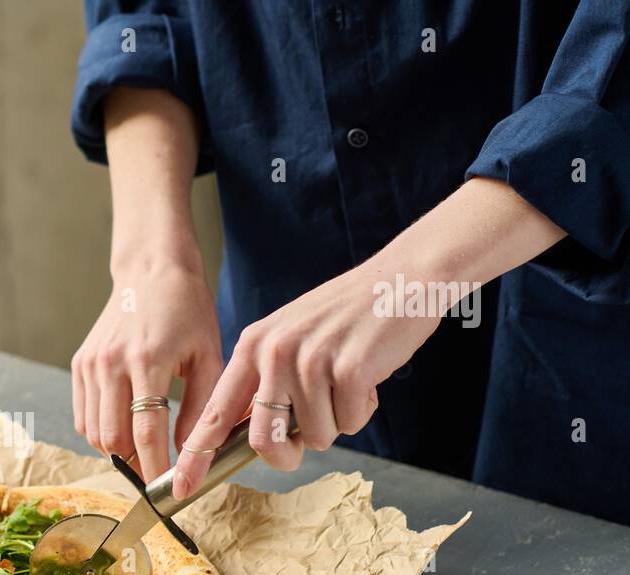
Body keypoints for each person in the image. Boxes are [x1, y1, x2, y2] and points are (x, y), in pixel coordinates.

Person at [70, 0, 629, 524]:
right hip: (285, 323)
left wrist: (412, 279)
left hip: (558, 316)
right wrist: (152, 262)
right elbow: (141, 22)